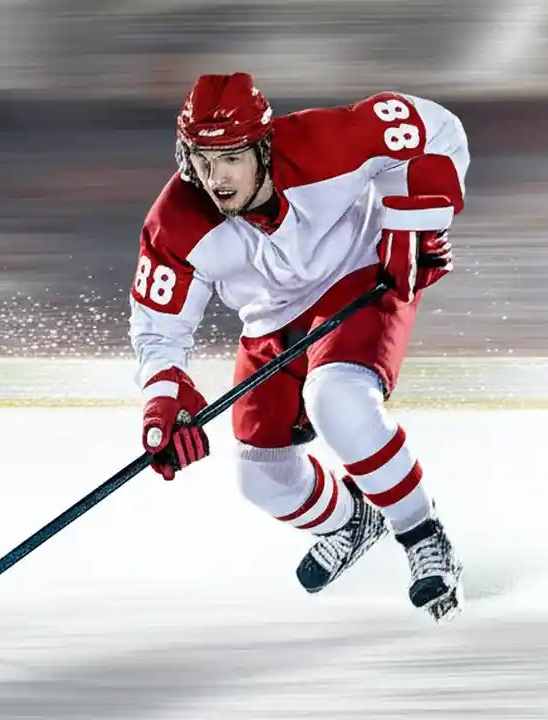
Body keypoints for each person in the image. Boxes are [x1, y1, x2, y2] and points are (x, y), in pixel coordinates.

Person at [129, 72, 469, 621]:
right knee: (260, 477)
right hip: (270, 321)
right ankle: (354, 523)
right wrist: (164, 395)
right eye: (201, 158)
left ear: (264, 147)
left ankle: (423, 535)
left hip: (358, 277)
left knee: (337, 399)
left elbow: (440, 130)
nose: (215, 178)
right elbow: (158, 326)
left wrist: (416, 221)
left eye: (232, 158)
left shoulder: (327, 142)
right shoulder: (173, 222)